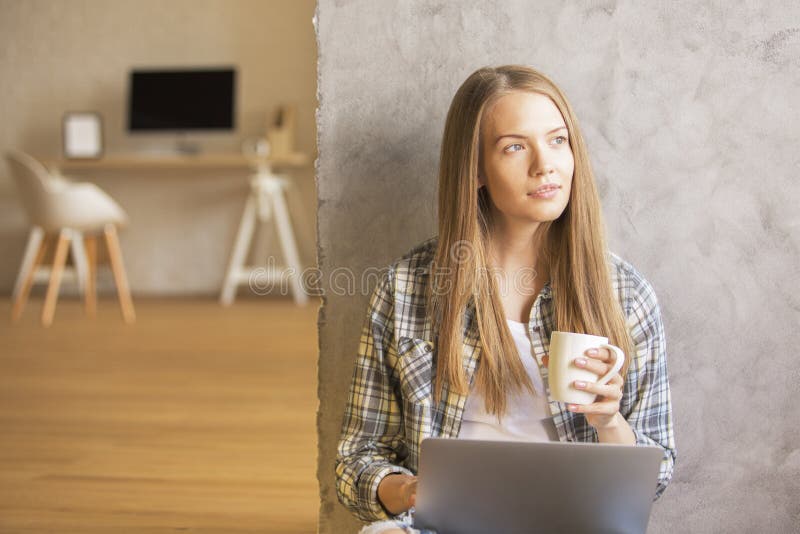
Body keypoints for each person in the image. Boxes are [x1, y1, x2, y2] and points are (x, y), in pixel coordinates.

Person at [335, 65, 676, 534]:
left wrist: (608, 420)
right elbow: (357, 460)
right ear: (475, 169)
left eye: (557, 140)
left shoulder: (625, 293)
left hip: (573, 524)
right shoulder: (407, 286)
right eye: (515, 147)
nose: (544, 165)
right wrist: (412, 491)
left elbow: (655, 473)